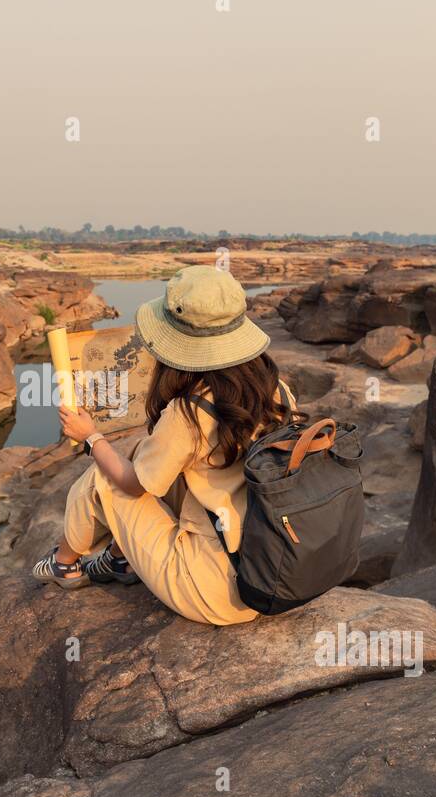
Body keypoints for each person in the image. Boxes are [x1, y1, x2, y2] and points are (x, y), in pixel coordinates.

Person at [32, 265, 295, 625]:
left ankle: (64, 565)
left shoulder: (190, 411)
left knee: (104, 480)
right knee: (145, 457)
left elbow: (130, 484)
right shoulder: (275, 389)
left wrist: (90, 437)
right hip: (268, 568)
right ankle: (121, 557)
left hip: (216, 590)